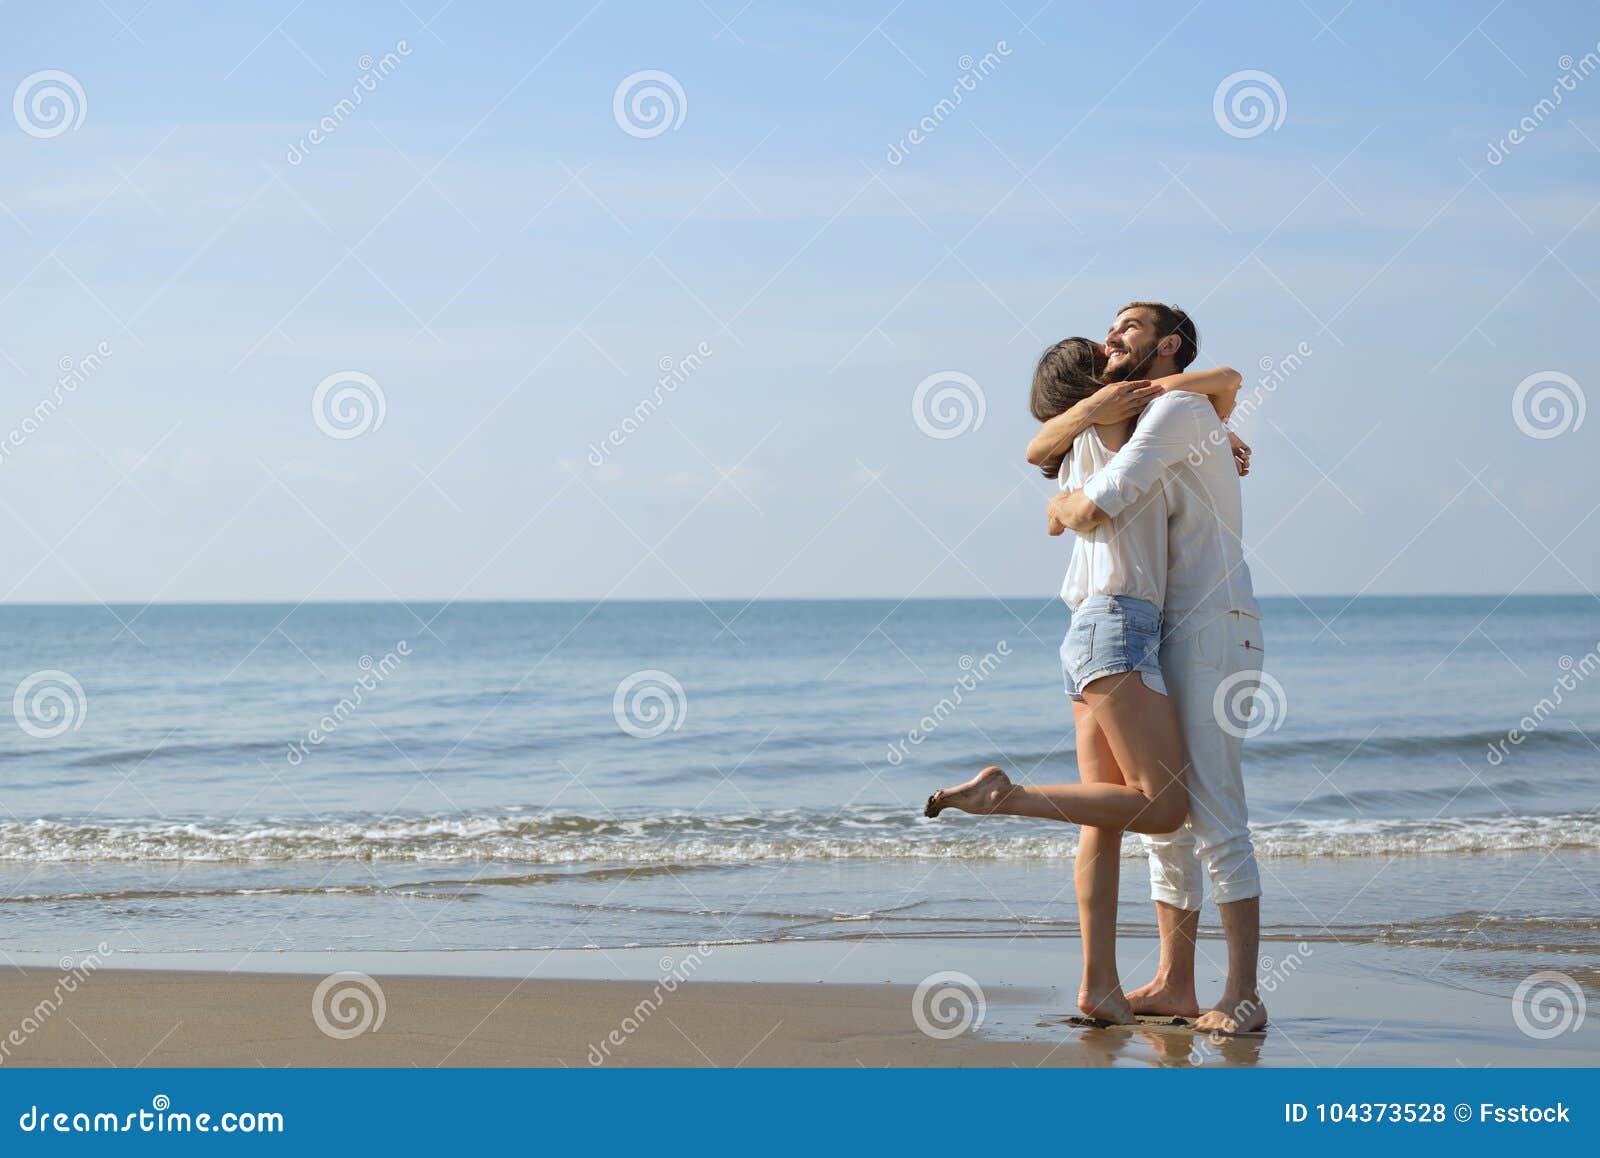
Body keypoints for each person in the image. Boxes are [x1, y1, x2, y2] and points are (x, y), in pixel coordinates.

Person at [925, 322, 1241, 1025]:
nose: (1120, 359)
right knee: (1163, 809)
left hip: (1082, 633)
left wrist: (1215, 440)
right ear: (1100, 384)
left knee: (1101, 819)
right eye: (1109, 361)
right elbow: (1219, 386)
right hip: (1119, 626)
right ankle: (1006, 797)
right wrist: (1212, 432)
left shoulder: (1079, 445)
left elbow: (1055, 454)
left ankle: (1099, 987)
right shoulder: (1122, 430)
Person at [1048, 302, 1267, 1035]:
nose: (1112, 336)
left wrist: (1064, 504)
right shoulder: (1165, 416)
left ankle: (1241, 993)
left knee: (1212, 808)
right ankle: (1176, 983)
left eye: (1129, 327)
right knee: (1165, 824)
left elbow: (1099, 504)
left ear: (1169, 345)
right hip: (1167, 625)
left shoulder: (1176, 406)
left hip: (1213, 626)